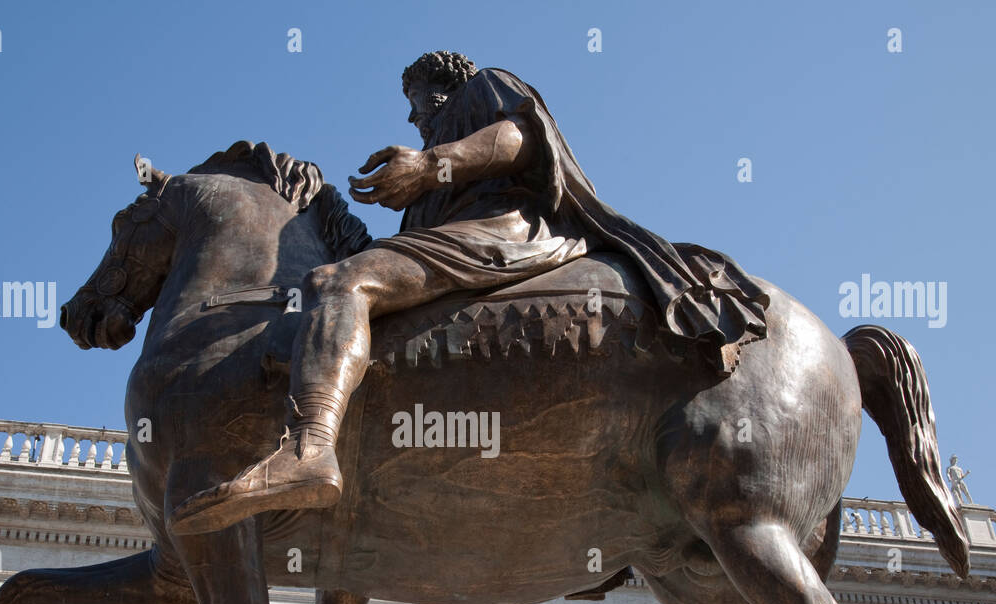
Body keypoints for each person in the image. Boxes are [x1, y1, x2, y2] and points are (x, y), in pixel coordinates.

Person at [171, 51, 769, 534]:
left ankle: (310, 445)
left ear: (445, 85)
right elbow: (406, 249)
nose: (414, 118)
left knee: (344, 282)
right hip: (468, 238)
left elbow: (520, 139)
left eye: (419, 101)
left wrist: (431, 164)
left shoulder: (483, 88)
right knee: (352, 286)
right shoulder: (427, 195)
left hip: (508, 230)